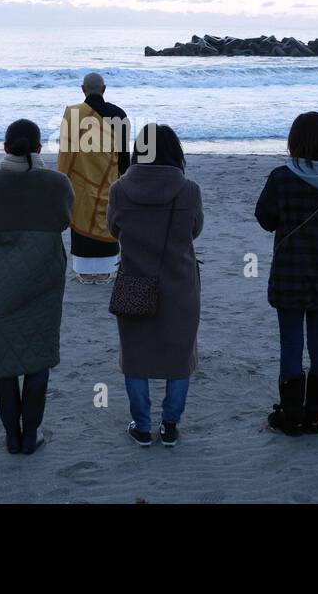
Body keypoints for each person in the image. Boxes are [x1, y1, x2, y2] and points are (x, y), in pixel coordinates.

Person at [0, 119, 74, 454]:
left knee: (3, 360)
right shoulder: (57, 183)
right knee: (38, 356)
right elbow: (64, 221)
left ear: (5, 146)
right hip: (42, 274)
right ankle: (32, 434)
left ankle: (12, 435)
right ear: (39, 148)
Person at [254, 112, 318, 436]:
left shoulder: (282, 177)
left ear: (295, 140)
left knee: (291, 343)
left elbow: (265, 218)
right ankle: (314, 413)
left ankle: (291, 413)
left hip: (290, 271)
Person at [107, 123, 203, 447]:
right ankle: (170, 427)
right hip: (180, 283)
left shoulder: (120, 189)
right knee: (179, 356)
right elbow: (195, 230)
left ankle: (143, 427)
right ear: (176, 152)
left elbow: (112, 230)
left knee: (135, 356)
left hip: (134, 282)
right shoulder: (189, 190)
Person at [58, 72, 130, 283]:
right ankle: (107, 270)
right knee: (108, 222)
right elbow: (123, 154)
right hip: (111, 181)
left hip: (79, 182)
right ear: (104, 89)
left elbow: (66, 153)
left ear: (82, 89)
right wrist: (125, 179)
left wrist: (64, 181)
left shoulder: (72, 114)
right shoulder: (118, 114)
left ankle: (84, 271)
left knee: (82, 219)